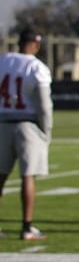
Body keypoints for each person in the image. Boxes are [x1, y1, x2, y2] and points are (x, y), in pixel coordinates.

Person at [0, 29, 53, 241]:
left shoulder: (3, 61)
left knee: (0, 177)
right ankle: (27, 227)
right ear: (35, 45)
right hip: (27, 123)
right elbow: (44, 104)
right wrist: (46, 130)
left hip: (2, 121)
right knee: (28, 176)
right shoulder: (36, 66)